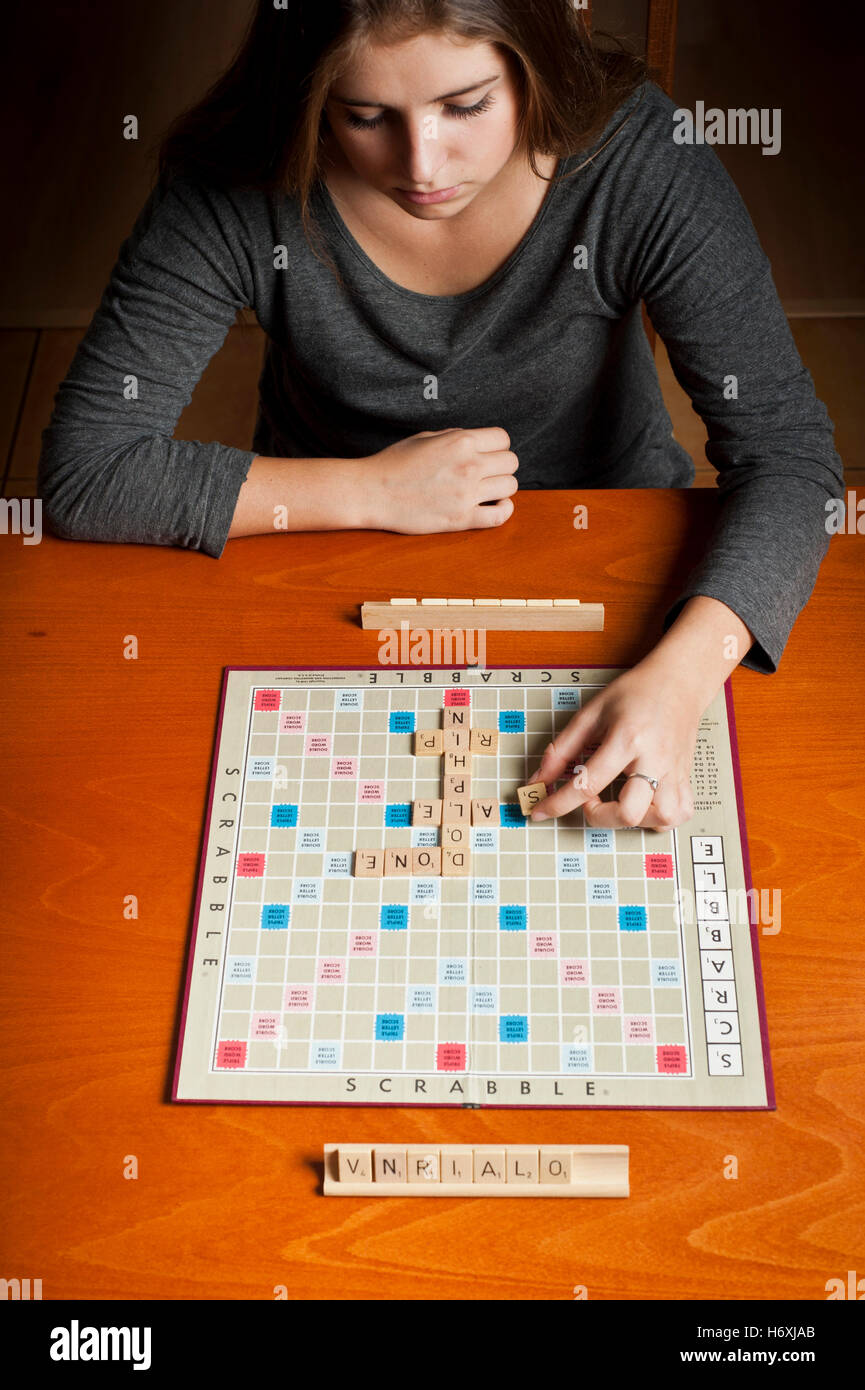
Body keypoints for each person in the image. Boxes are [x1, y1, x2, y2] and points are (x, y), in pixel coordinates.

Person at [37, 1, 844, 833]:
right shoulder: (244, 169)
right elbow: (90, 470)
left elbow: (788, 457)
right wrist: (373, 492)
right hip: (323, 564)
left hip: (613, 557)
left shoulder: (635, 157)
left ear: (536, 61)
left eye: (466, 106)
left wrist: (681, 675)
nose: (422, 164)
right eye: (364, 116)